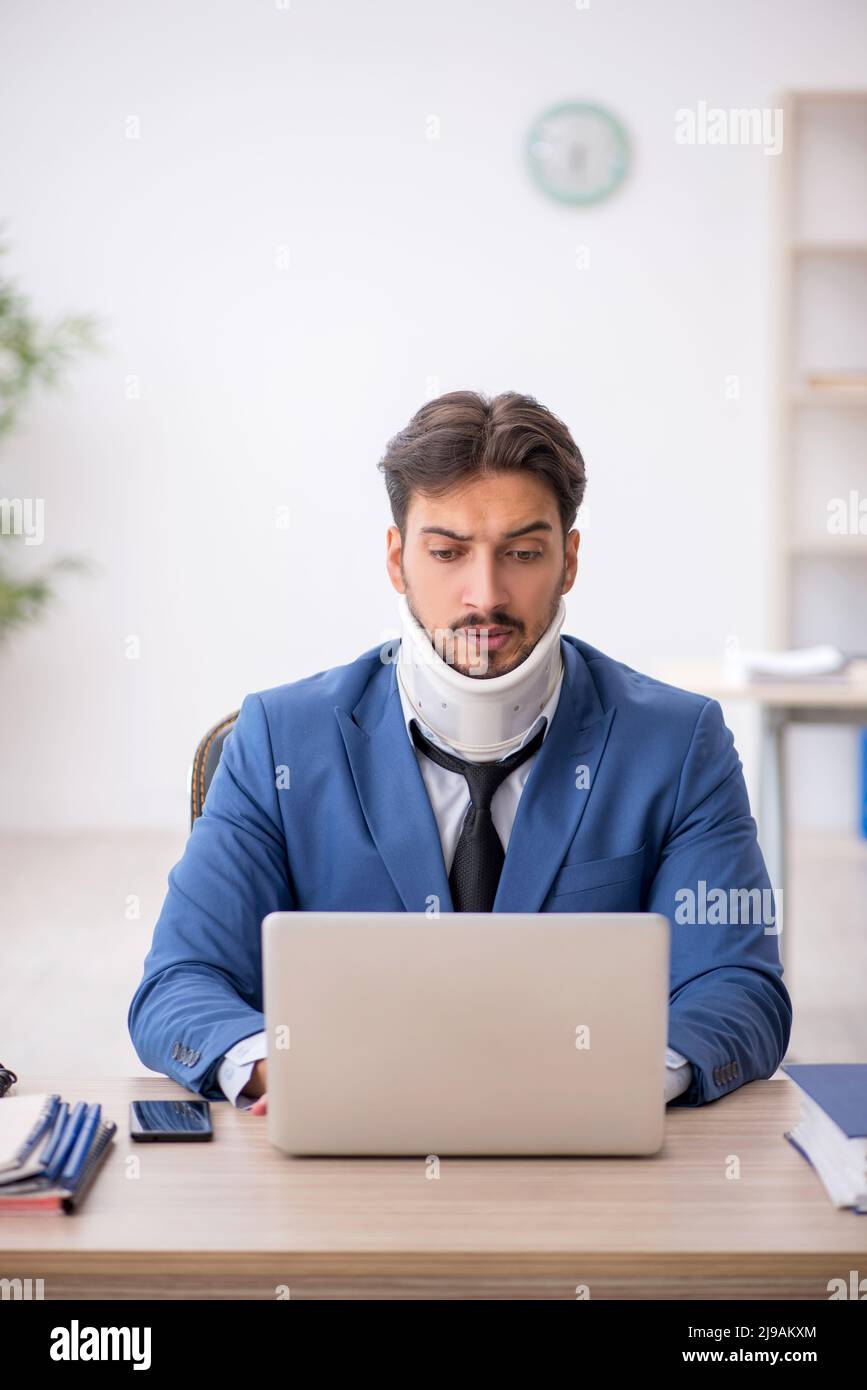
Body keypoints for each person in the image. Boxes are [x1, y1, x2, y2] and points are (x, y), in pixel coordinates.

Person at [128, 389, 792, 1117]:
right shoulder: (278, 739)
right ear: (396, 559)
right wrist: (270, 1066)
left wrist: (631, 1074)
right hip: (341, 1155)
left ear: (568, 561)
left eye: (522, 553)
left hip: (587, 1150)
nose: (484, 594)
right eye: (446, 552)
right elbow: (179, 982)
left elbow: (739, 987)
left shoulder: (677, 743)